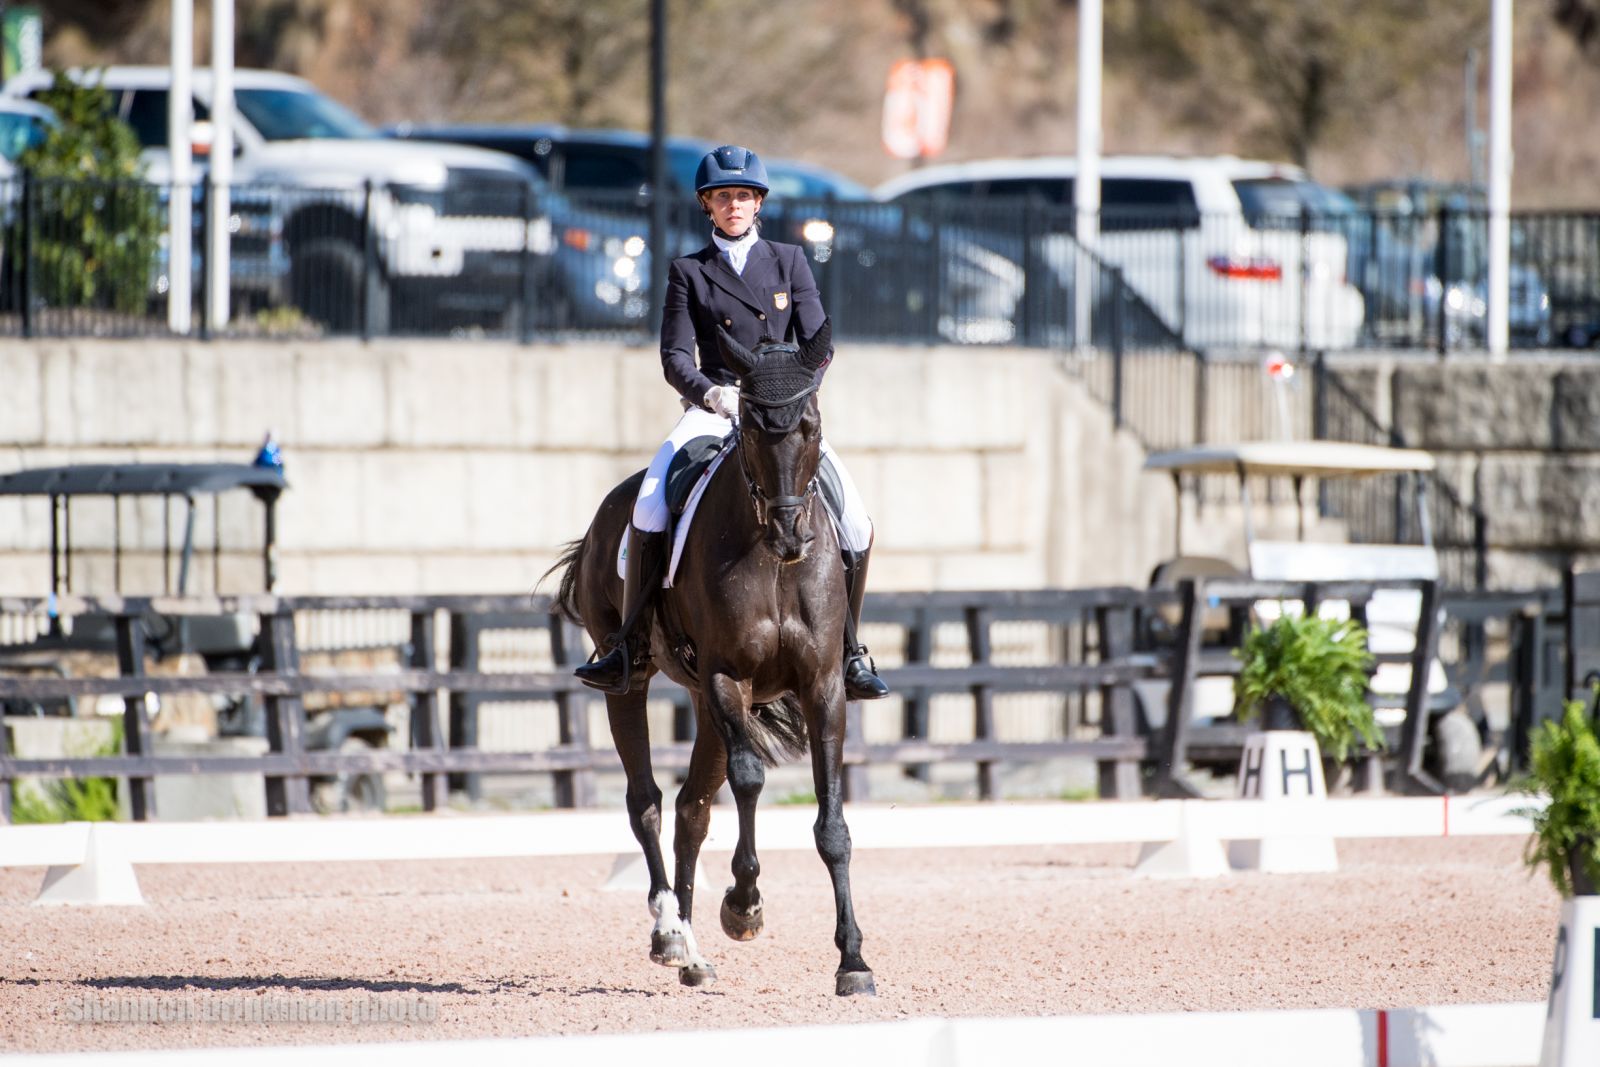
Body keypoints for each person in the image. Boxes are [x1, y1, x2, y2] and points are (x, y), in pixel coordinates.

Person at [576, 144, 889, 702]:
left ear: (758, 202)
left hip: (779, 415)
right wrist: (713, 394)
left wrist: (791, 393)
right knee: (648, 506)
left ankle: (849, 650)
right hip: (715, 410)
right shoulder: (688, 271)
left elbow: (818, 343)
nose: (734, 205)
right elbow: (674, 357)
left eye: (744, 196)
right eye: (724, 197)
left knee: (858, 522)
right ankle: (628, 645)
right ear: (708, 205)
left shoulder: (790, 261)